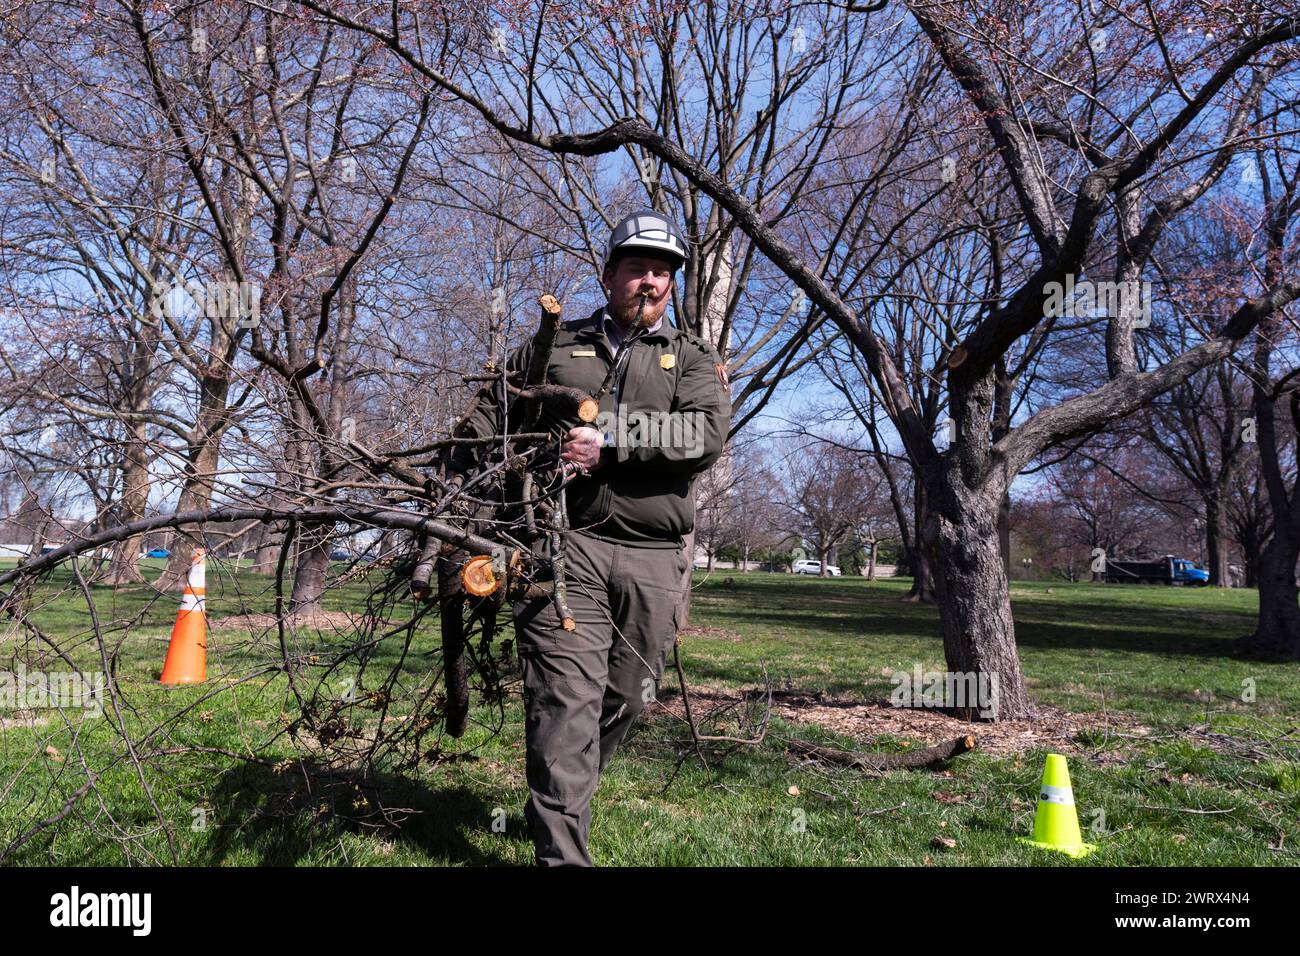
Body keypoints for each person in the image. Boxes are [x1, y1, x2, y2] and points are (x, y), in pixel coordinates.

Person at [449, 208, 731, 865]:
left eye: (663, 272)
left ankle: (561, 794)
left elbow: (704, 436)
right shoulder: (553, 345)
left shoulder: (691, 358)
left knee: (629, 695)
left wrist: (612, 442)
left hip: (654, 554)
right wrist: (476, 483)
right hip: (560, 544)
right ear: (609, 276)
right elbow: (484, 426)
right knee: (564, 702)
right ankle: (561, 852)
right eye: (638, 268)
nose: (652, 282)